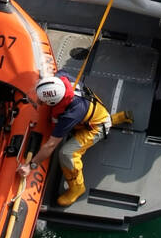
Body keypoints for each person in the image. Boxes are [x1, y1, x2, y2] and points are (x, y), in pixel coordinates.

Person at [17, 75, 132, 208]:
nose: (38, 100)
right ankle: (115, 118)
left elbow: (51, 145)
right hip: (92, 110)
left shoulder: (71, 113)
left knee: (66, 153)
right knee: (90, 119)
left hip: (95, 127)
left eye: (42, 100)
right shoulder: (61, 79)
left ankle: (77, 187)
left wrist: (31, 165)